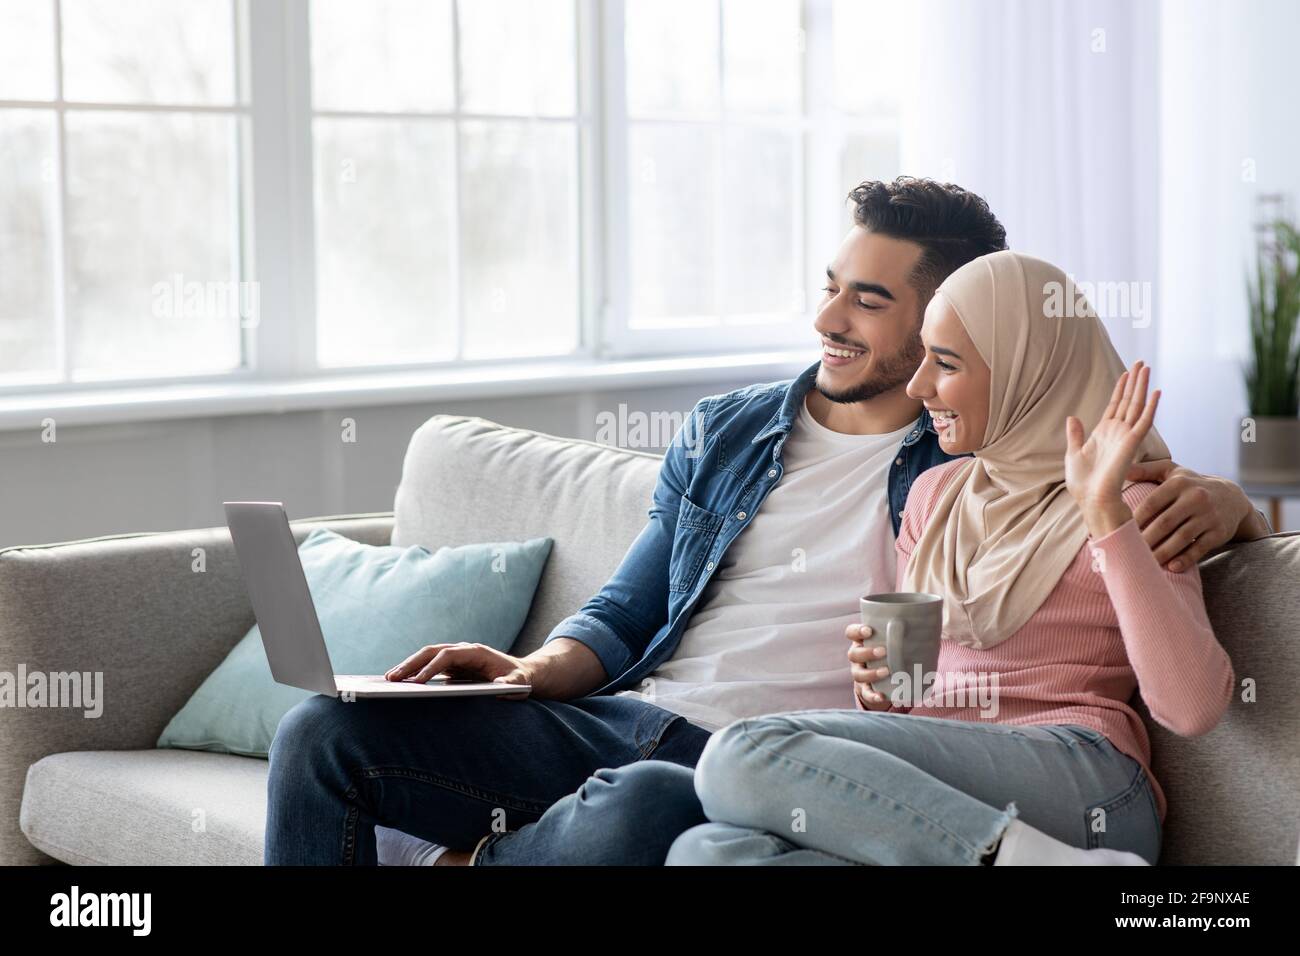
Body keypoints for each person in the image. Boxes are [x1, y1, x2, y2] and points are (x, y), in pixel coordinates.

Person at [263, 181, 1265, 866]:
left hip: (731, 756)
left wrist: (1229, 506)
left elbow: (1099, 500)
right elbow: (632, 600)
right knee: (322, 732)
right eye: (830, 287)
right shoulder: (749, 434)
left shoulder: (964, 450)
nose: (829, 318)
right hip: (633, 717)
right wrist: (530, 670)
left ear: (948, 325)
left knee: (657, 812)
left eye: (868, 301)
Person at [664, 251, 1234, 865]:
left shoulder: (1133, 504)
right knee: (712, 850)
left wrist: (1102, 515)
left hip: (1082, 783)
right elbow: (923, 694)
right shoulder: (935, 496)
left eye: (948, 363)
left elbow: (1193, 707)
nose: (919, 386)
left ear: (1027, 372)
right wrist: (883, 693)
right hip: (945, 791)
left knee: (736, 755)